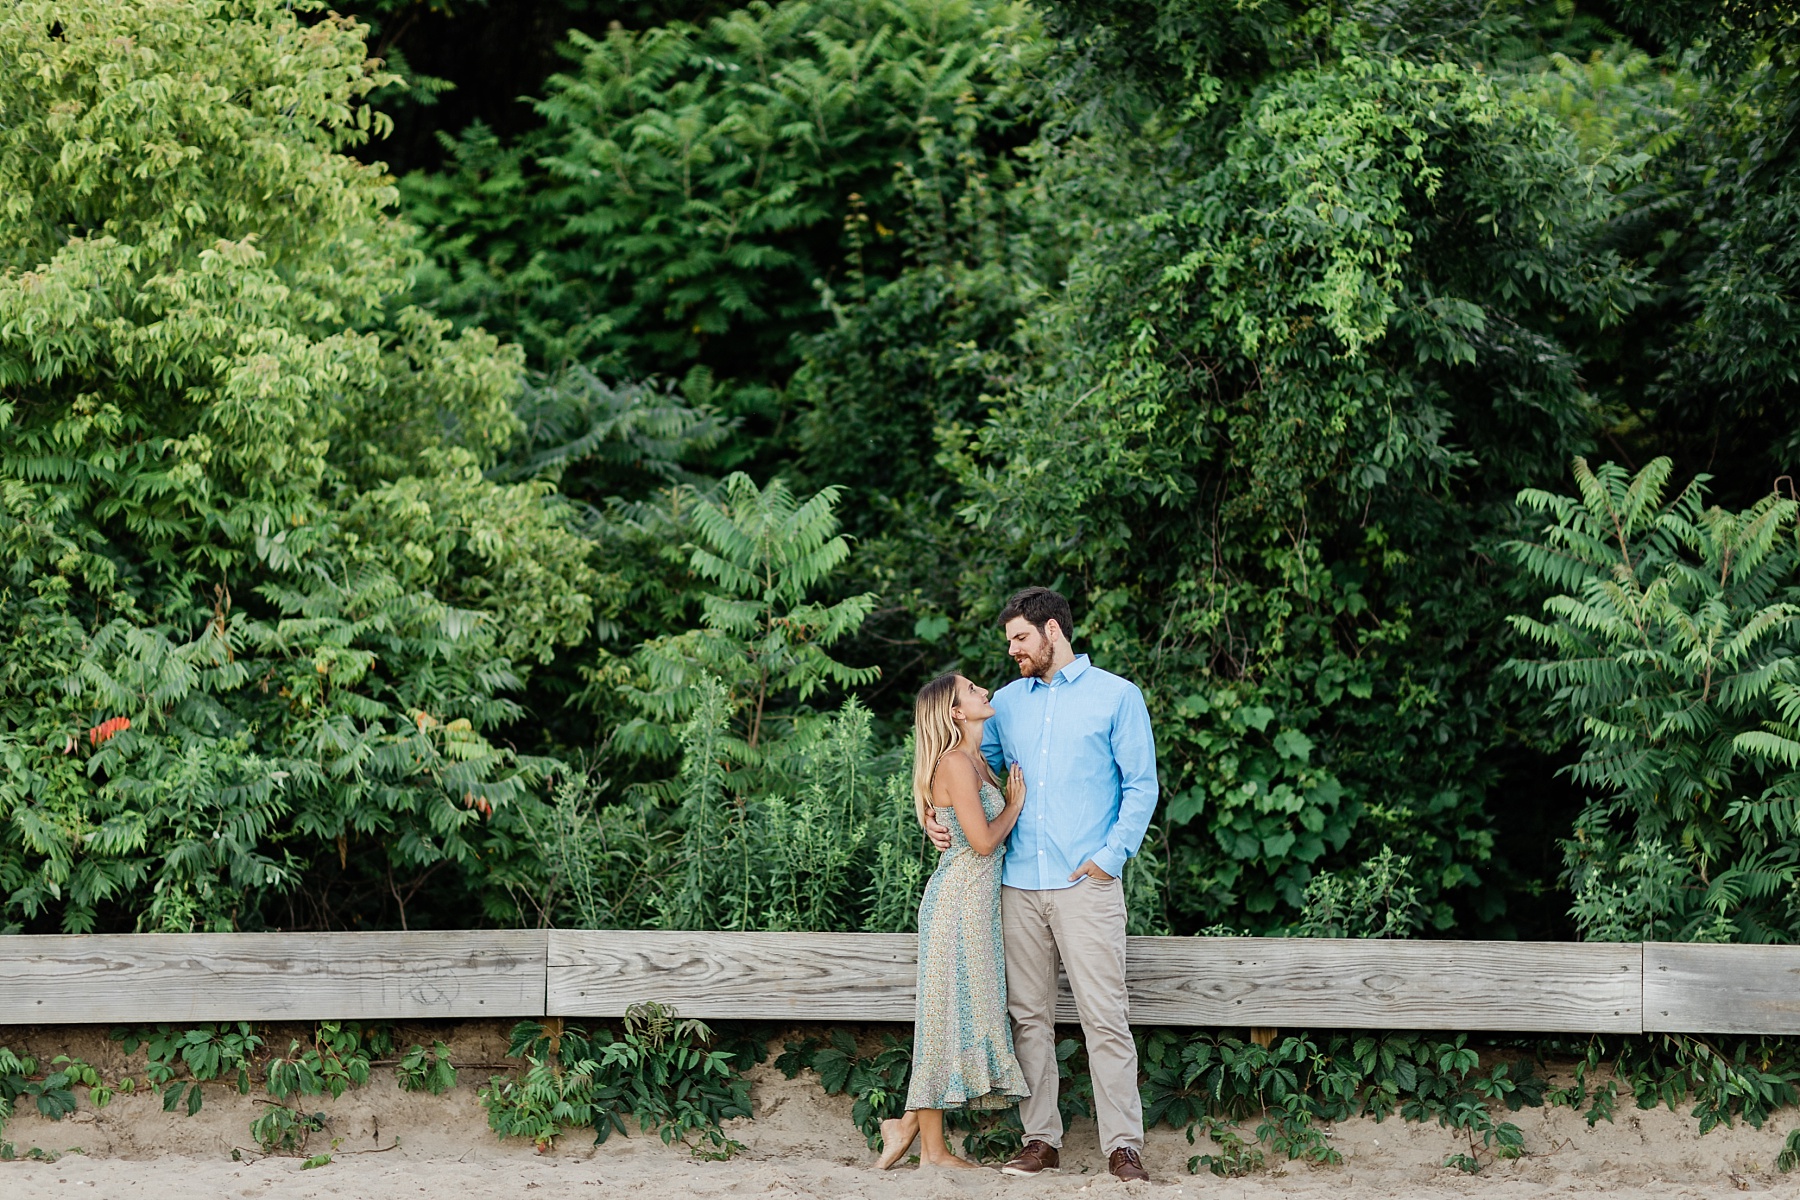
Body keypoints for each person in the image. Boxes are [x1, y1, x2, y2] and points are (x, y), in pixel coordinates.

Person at [925, 586, 1157, 1182]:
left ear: (1052, 630)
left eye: (1020, 638)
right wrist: (930, 812)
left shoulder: (1117, 696)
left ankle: (1123, 1146)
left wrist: (1109, 858)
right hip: (1017, 888)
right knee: (1029, 1020)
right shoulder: (1005, 703)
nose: (1013, 650)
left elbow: (1142, 786)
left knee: (1105, 1018)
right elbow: (961, 763)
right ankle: (1040, 1141)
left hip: (1087, 886)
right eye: (1010, 641)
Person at [874, 672, 1032, 1170]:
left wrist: (931, 815)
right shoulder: (956, 762)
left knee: (957, 1018)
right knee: (944, 1020)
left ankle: (908, 1128)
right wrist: (1015, 805)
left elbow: (945, 810)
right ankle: (932, 1151)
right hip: (956, 907)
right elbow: (983, 842)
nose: (983, 690)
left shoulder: (976, 759)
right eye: (971, 689)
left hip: (975, 908)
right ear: (956, 712)